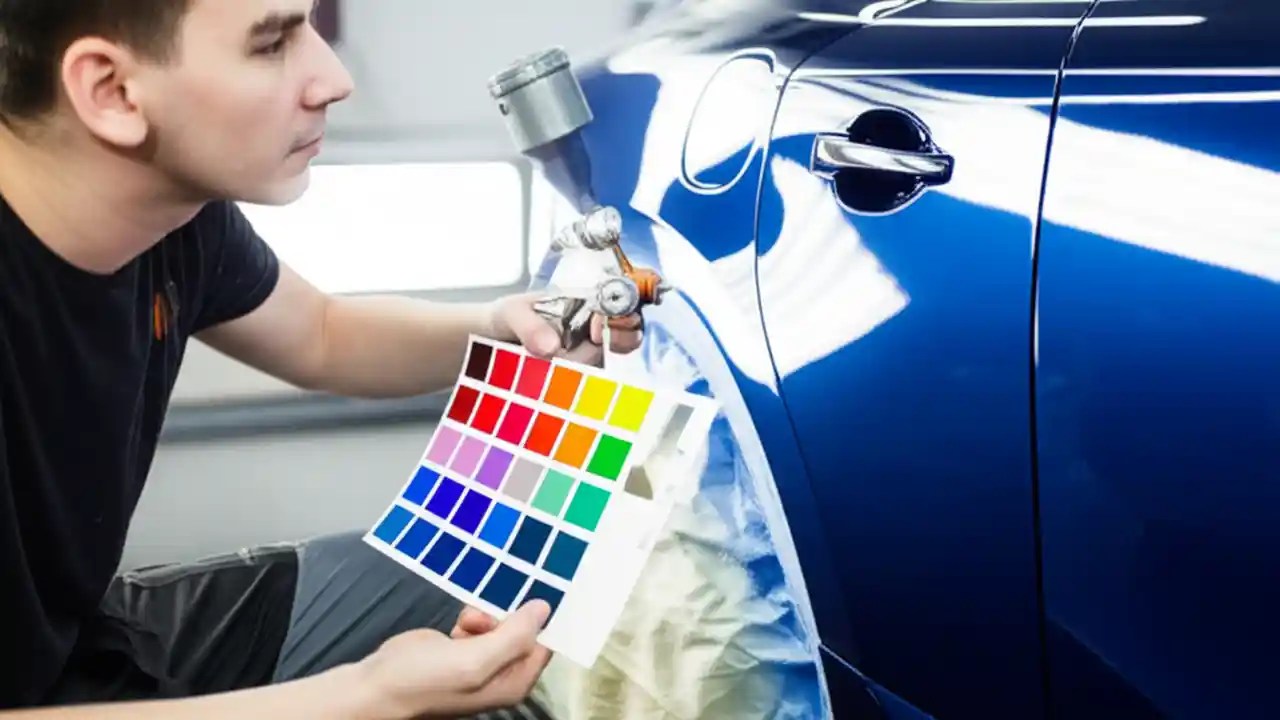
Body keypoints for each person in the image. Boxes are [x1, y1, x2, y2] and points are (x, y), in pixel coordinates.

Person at [0, 0, 642, 717]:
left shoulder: (173, 218)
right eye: (272, 43)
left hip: (77, 649)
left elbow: (322, 332)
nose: (334, 79)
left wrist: (502, 323)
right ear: (112, 91)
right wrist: (371, 697)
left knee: (507, 569)